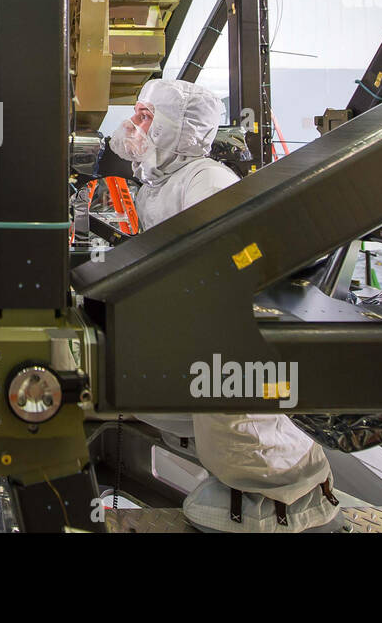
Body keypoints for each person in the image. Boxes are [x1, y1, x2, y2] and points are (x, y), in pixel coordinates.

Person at [108, 79, 342, 533]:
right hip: (193, 315)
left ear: (178, 128)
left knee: (238, 422)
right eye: (137, 114)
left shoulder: (205, 179)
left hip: (225, 325)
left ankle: (284, 501)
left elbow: (226, 260)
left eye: (147, 117)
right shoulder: (159, 181)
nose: (135, 125)